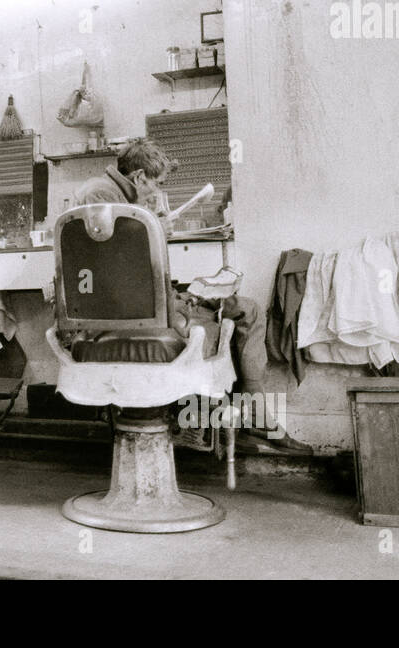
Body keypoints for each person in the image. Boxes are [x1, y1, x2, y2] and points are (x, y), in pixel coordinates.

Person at [72, 140, 311, 454]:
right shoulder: (100, 195)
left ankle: (245, 418)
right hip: (126, 313)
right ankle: (238, 421)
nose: (155, 191)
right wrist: (154, 228)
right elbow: (111, 264)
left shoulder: (115, 195)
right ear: (140, 176)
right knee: (236, 317)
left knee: (247, 310)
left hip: (140, 304)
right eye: (155, 184)